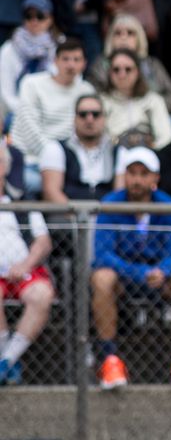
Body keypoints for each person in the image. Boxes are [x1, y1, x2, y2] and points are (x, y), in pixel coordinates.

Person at [91, 146, 171, 389]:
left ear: (155, 179)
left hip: (159, 278)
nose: (137, 179)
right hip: (122, 278)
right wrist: (137, 272)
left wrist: (162, 270)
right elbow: (103, 255)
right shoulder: (110, 204)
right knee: (101, 278)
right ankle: (109, 360)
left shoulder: (167, 205)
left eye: (144, 173)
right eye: (132, 173)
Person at [10, 38, 94, 196]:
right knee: (33, 183)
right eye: (66, 59)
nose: (71, 65)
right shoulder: (32, 84)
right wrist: (53, 159)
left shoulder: (87, 91)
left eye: (76, 60)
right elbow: (29, 129)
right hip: (30, 161)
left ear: (84, 64)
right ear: (55, 61)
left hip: (68, 165)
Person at [0, 142, 53, 386]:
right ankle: (4, 357)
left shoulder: (21, 202)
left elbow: (43, 241)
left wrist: (25, 265)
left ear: (4, 168)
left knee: (43, 294)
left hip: (24, 272)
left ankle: (7, 361)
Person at [85, 13, 171, 115]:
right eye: (118, 33)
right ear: (110, 38)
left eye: (130, 33)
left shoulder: (152, 65)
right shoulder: (100, 65)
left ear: (139, 38)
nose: (123, 37)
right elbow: (92, 97)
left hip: (152, 114)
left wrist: (150, 110)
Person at [39, 93, 118, 202]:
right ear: (74, 118)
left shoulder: (118, 151)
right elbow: (51, 192)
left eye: (95, 114)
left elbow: (119, 193)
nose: (89, 119)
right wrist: (77, 217)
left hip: (107, 217)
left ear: (104, 118)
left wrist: (103, 218)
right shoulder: (55, 148)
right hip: (66, 215)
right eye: (83, 114)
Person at [99, 49, 171, 149]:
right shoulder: (101, 101)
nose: (122, 75)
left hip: (148, 154)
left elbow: (166, 137)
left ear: (138, 72)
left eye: (128, 69)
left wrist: (153, 151)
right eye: (116, 70)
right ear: (109, 73)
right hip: (114, 154)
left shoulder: (153, 100)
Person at [0, 0, 60, 118]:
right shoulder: (9, 49)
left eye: (40, 16)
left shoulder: (61, 47)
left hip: (53, 112)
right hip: (16, 113)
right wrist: (27, 114)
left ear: (50, 18)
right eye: (29, 16)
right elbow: (6, 92)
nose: (34, 21)